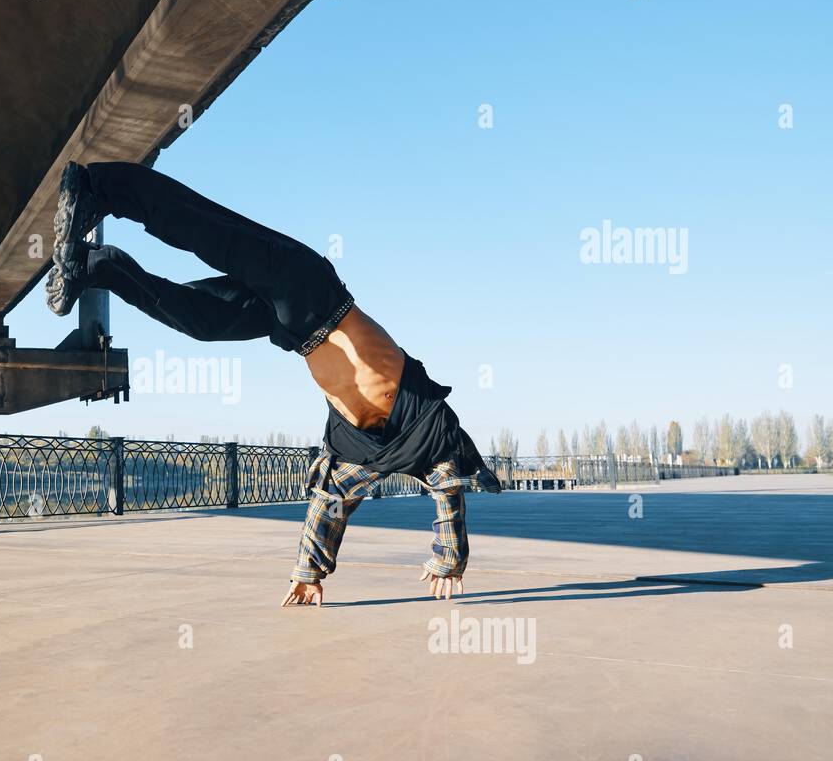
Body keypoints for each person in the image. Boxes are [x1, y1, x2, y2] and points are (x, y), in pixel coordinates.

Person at [45, 160, 500, 608]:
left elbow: (329, 507)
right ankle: (98, 187)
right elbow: (449, 492)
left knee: (198, 321)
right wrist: (451, 558)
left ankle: (92, 265)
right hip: (312, 291)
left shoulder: (355, 457)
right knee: (209, 233)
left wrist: (309, 574)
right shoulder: (429, 425)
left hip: (288, 330)